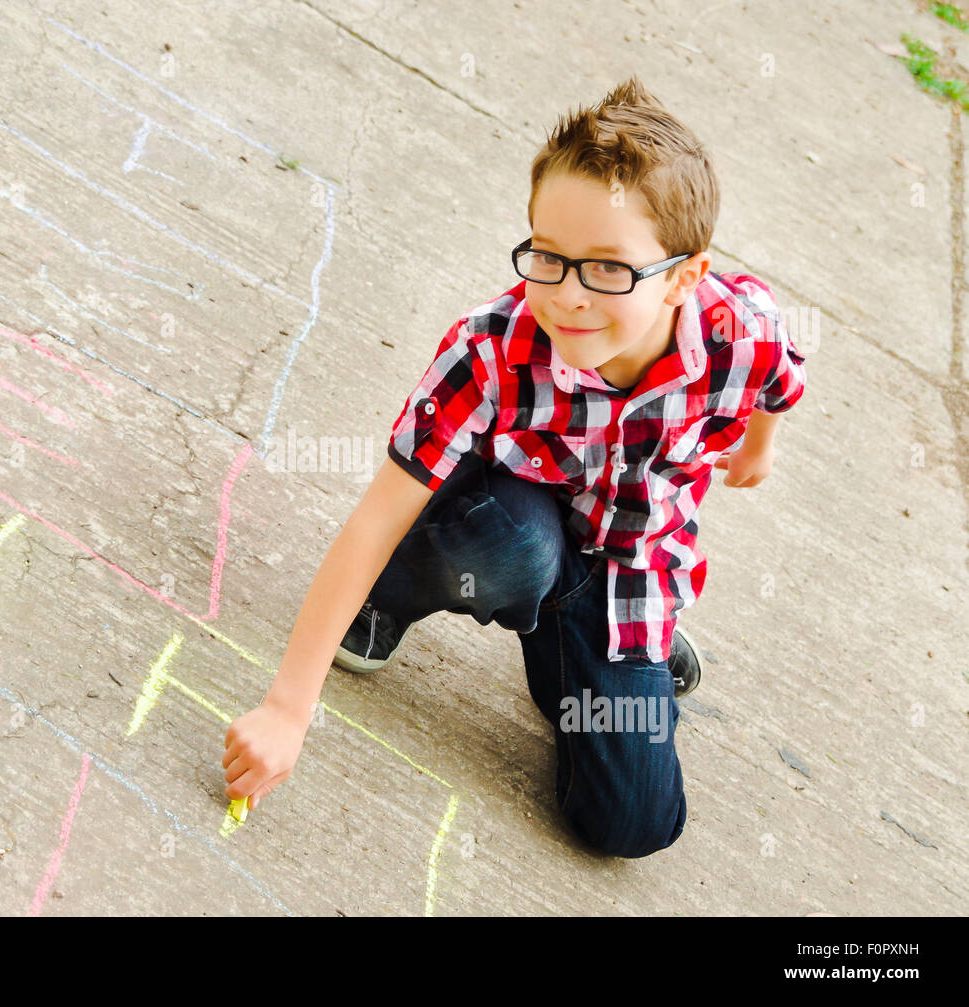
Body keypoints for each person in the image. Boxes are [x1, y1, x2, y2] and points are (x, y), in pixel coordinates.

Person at [222, 74, 807, 858]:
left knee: (633, 824)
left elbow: (780, 381)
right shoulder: (492, 348)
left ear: (684, 277)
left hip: (627, 560)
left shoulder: (744, 331)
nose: (569, 294)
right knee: (511, 550)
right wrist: (288, 707)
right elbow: (374, 517)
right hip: (508, 520)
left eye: (608, 267)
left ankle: (588, 641)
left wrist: (758, 450)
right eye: (550, 257)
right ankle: (390, 599)